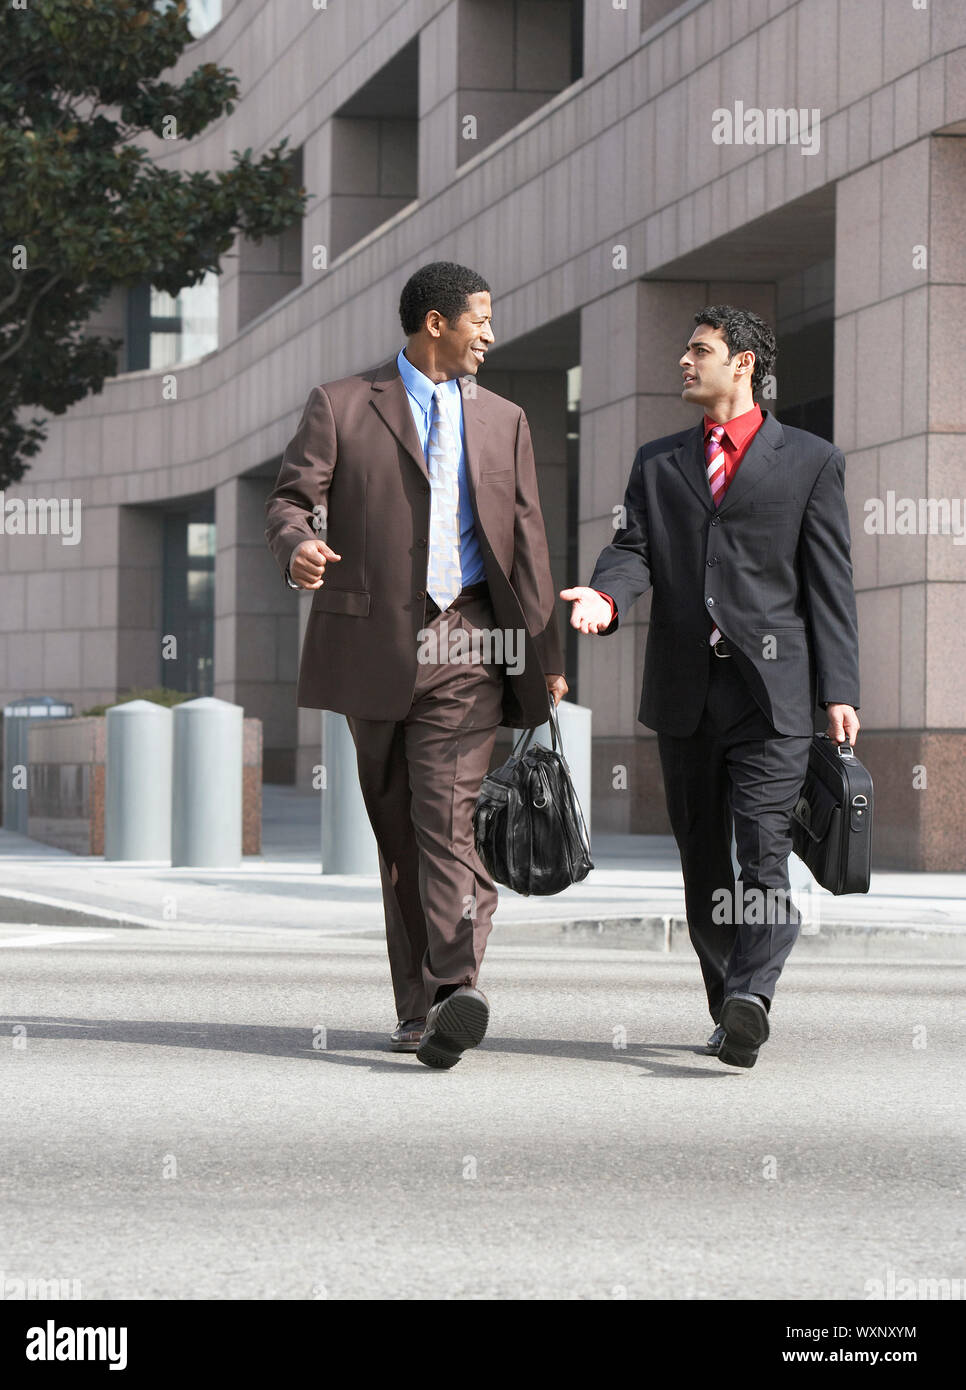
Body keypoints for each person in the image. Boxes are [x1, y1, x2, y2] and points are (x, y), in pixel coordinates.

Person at [266, 262, 566, 1069]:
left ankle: (455, 987)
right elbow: (290, 498)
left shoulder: (504, 419)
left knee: (448, 818)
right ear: (435, 323)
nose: (490, 335)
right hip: (371, 647)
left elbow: (528, 543)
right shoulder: (341, 403)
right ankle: (417, 1007)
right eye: (480, 319)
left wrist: (543, 657)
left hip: (469, 641)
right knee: (398, 832)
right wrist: (298, 546)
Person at [561, 305, 860, 1069]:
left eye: (699, 350)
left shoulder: (810, 461)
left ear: (744, 363)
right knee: (703, 863)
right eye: (686, 351)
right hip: (684, 692)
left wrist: (839, 690)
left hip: (774, 696)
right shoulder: (657, 463)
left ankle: (750, 996)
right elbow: (631, 550)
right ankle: (727, 1004)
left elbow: (828, 584)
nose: (684, 363)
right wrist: (606, 597)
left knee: (762, 852)